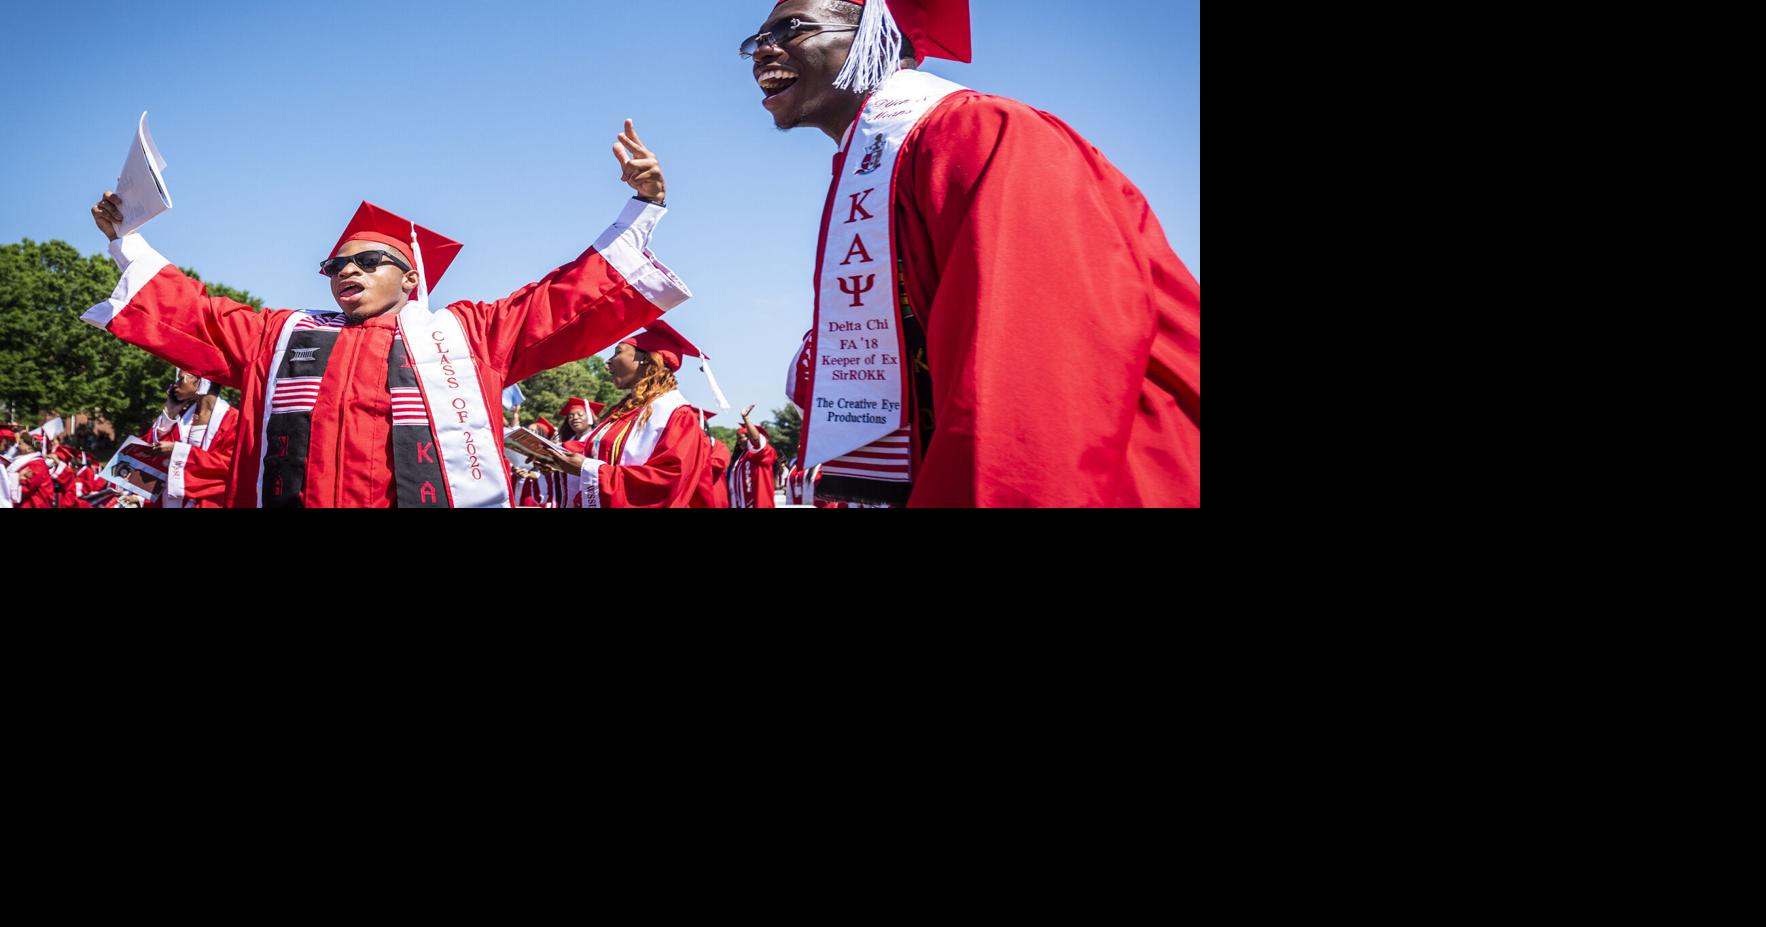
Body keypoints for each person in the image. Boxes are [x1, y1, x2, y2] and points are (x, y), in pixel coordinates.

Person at [82, 121, 690, 507]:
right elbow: (194, 312)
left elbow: (563, 298)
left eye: (369, 260)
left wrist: (643, 206)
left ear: (412, 277)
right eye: (335, 265)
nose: (347, 270)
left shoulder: (468, 334)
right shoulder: (280, 335)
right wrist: (125, 240)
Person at [743, 0, 1201, 507]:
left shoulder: (984, 132)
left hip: (1116, 479)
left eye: (789, 28)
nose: (762, 51)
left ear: (877, 33)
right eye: (755, 42)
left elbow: (1037, 375)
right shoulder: (870, 169)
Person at [554, 322, 713, 508]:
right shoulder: (626, 410)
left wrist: (589, 469)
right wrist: (555, 456)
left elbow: (667, 482)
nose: (608, 362)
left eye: (618, 352)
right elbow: (601, 453)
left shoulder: (677, 415)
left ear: (646, 359)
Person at [139, 369, 240, 508]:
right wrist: (170, 412)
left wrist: (178, 451)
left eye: (181, 379)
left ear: (200, 381)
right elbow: (151, 450)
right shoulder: (182, 417)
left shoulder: (234, 421)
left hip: (210, 502)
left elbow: (232, 466)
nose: (174, 386)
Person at [726, 404, 778, 508]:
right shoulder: (740, 459)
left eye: (740, 437)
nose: (738, 441)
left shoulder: (761, 453)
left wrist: (745, 418)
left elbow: (756, 440)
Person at [6, 433, 56, 508]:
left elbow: (25, 488)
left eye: (20, 444)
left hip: (34, 504)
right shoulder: (30, 463)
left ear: (29, 448)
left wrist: (7, 484)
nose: (17, 446)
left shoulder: (36, 465)